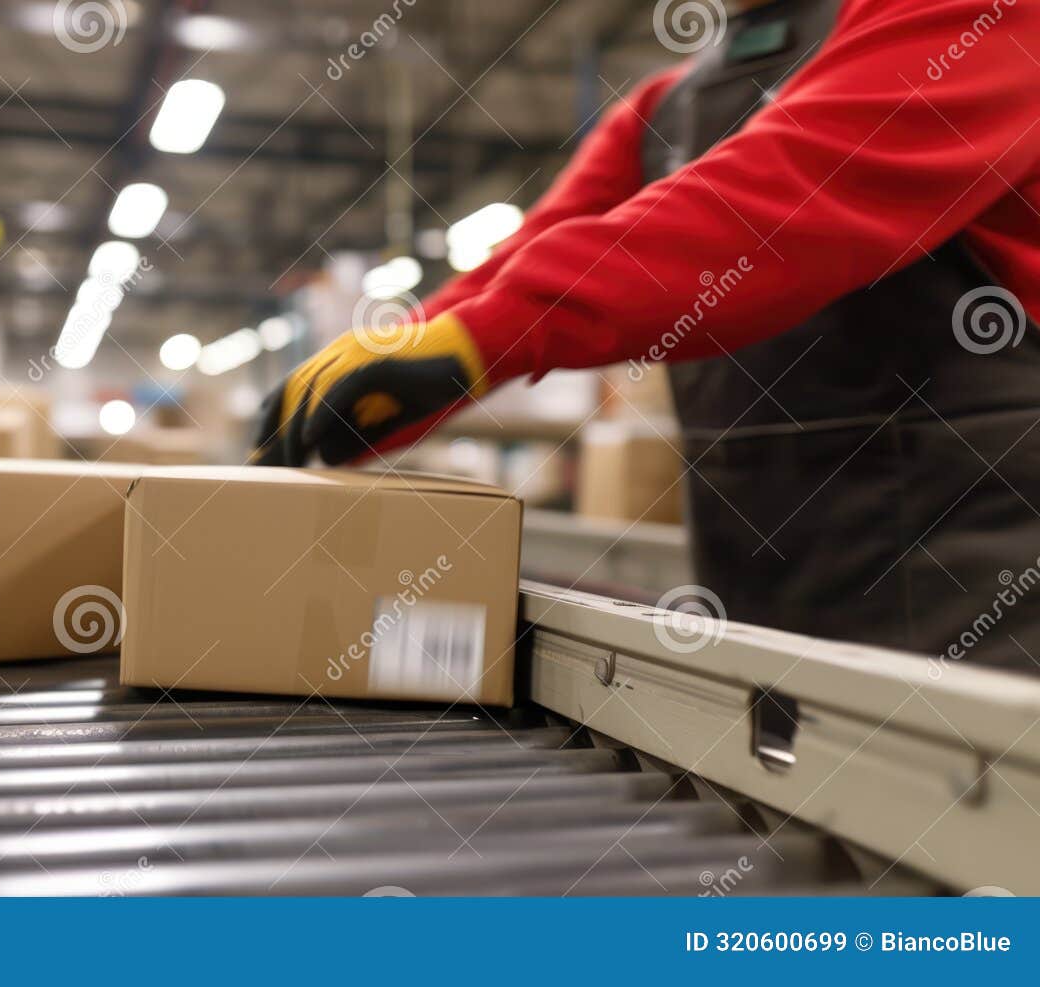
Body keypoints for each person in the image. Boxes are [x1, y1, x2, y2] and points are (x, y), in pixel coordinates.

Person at [252, 0, 1040, 672]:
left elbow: (783, 195)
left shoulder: (977, 18)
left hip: (985, 578)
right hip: (761, 571)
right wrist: (385, 373)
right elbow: (524, 259)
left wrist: (483, 336)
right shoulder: (664, 112)